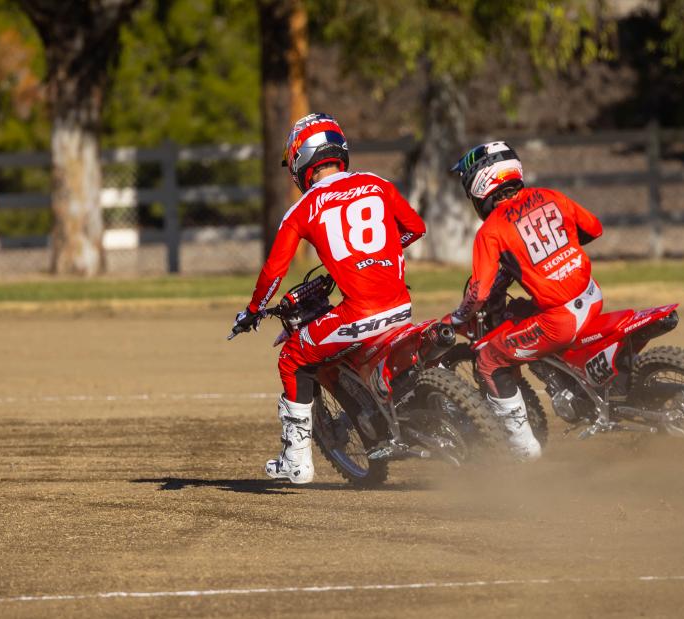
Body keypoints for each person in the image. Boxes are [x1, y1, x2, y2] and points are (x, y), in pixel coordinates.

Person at [230, 113, 426, 484]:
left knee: (291, 358)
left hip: (359, 315)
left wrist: (252, 312)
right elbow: (415, 228)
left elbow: (273, 273)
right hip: (401, 308)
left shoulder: (303, 209)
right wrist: (376, 258)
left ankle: (296, 461)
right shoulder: (376, 183)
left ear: (302, 160)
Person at [444, 141, 603, 461]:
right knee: (517, 311)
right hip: (592, 295)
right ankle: (564, 379)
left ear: (480, 183)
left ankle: (523, 452)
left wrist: (459, 317)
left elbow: (480, 293)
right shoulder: (551, 196)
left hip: (559, 320)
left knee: (490, 359)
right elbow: (593, 229)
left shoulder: (492, 230)